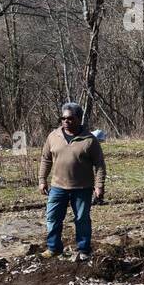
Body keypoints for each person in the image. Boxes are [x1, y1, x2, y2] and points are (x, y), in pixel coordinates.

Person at [38, 101, 106, 262]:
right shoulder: (53, 136)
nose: (66, 121)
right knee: (52, 217)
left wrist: (99, 185)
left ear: (79, 119)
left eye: (70, 118)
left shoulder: (89, 140)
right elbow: (45, 159)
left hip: (82, 187)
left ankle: (84, 249)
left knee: (82, 219)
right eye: (63, 118)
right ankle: (54, 248)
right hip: (58, 186)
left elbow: (99, 164)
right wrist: (42, 180)